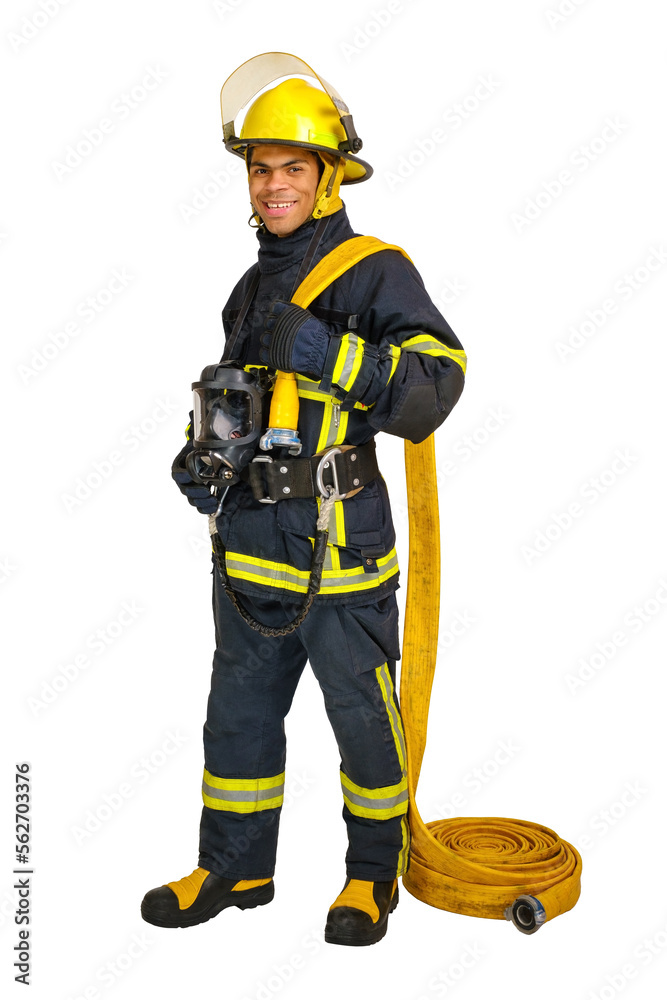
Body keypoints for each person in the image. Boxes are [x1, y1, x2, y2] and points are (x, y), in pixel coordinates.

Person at [141, 53, 466, 946]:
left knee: (362, 717)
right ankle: (233, 867)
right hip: (247, 540)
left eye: (292, 166)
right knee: (236, 711)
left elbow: (436, 386)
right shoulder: (248, 288)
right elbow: (239, 401)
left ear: (327, 178)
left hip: (340, 541)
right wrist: (202, 453)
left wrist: (327, 351)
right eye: (260, 167)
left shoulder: (373, 271)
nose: (273, 183)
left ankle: (371, 877)